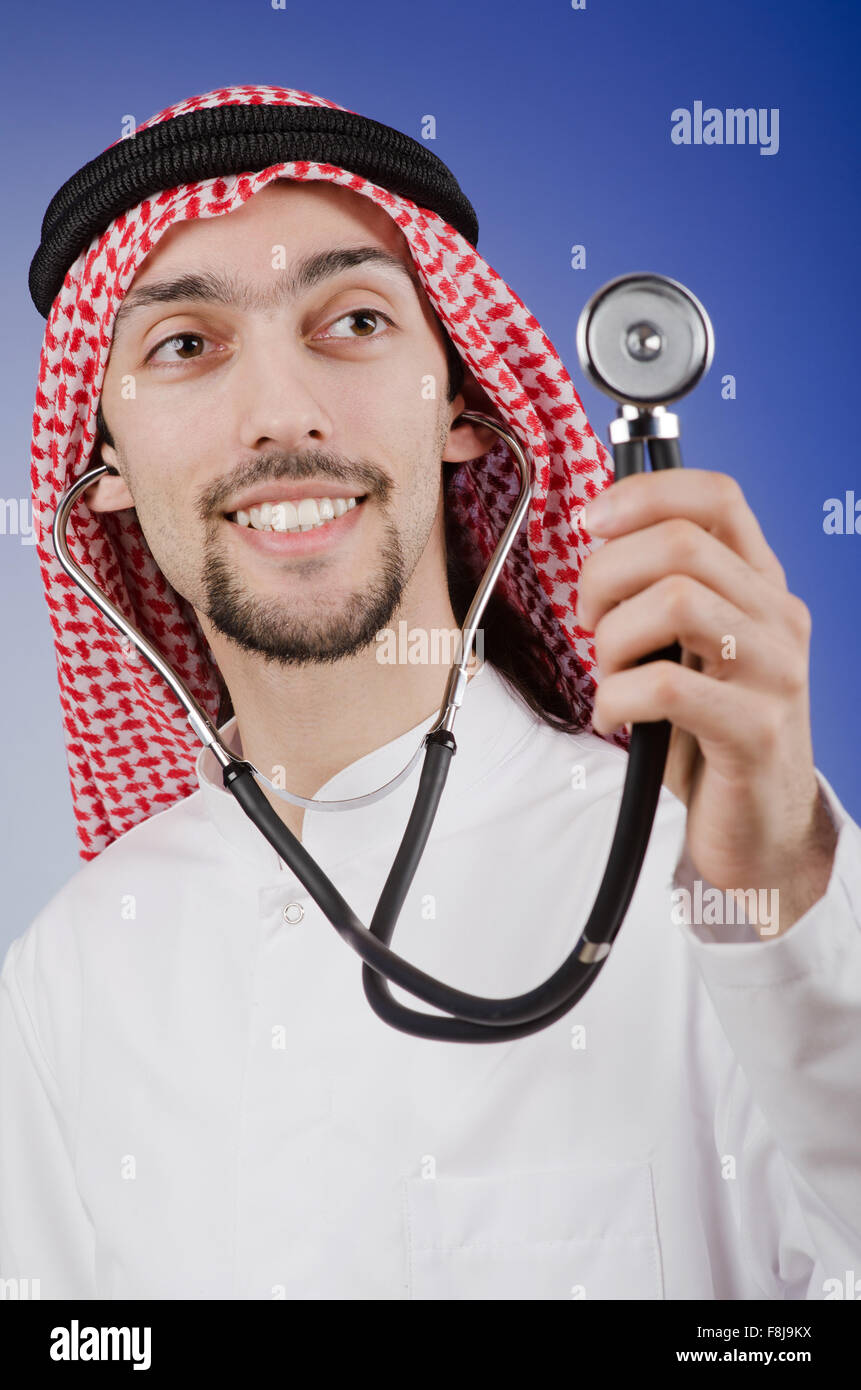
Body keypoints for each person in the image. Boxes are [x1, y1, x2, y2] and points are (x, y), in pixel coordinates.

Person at [1, 84, 859, 1302]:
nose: (281, 414)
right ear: (104, 478)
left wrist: (782, 881)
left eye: (351, 321)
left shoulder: (720, 888)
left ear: (462, 406)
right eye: (184, 346)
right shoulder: (67, 985)